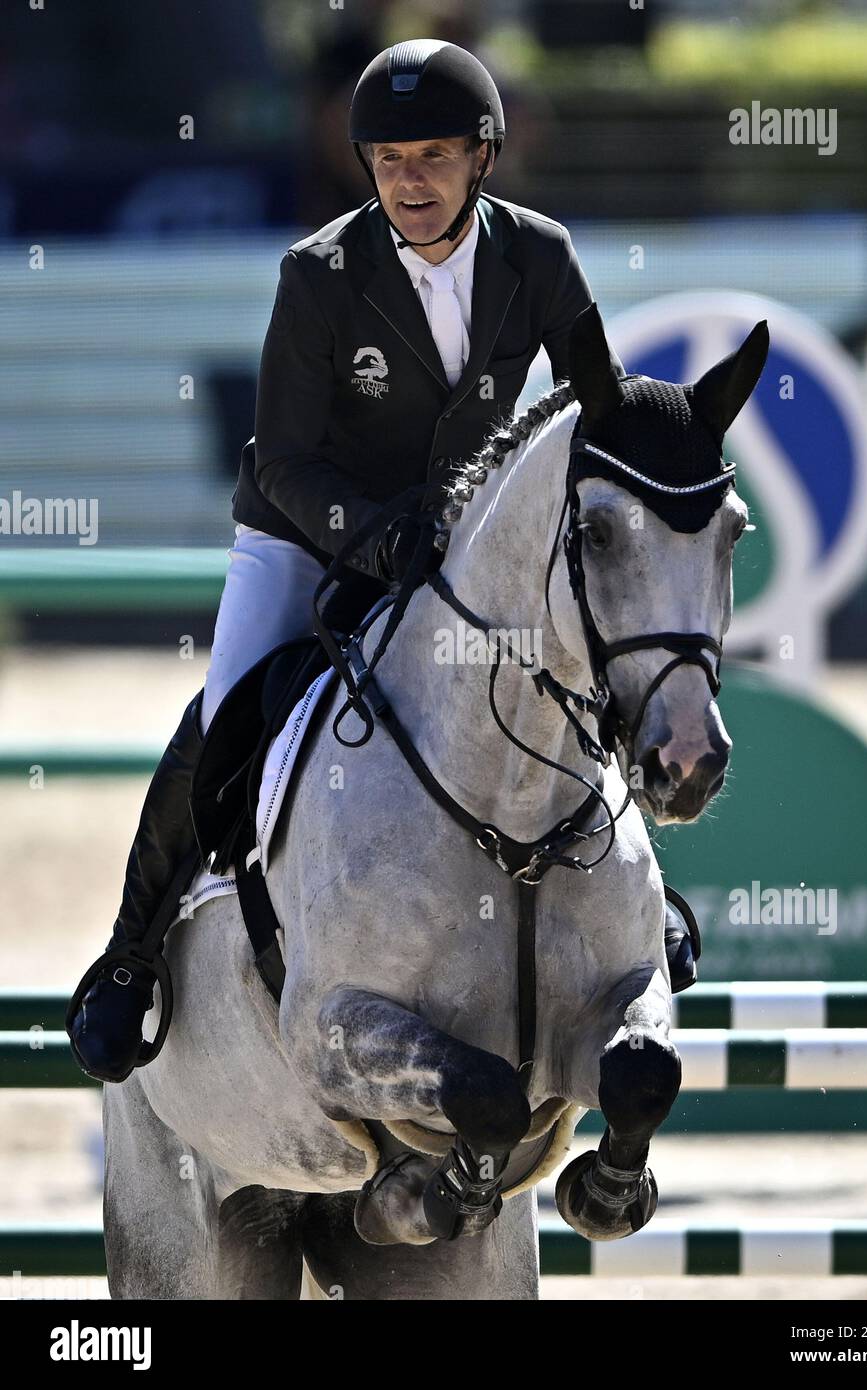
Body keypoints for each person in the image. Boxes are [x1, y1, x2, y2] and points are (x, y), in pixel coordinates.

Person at [66, 38, 697, 1085]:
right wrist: (375, 533)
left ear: (483, 157)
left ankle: (641, 905)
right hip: (308, 529)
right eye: (390, 158)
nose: (410, 179)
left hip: (462, 542)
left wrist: (680, 432)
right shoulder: (318, 276)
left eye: (435, 155)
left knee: (587, 668)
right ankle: (130, 959)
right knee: (228, 714)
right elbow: (285, 456)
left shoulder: (538, 255)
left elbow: (602, 402)